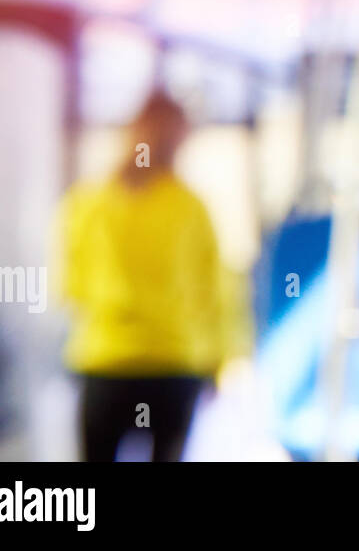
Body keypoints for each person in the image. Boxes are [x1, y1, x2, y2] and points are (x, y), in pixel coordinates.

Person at [59, 89, 228, 461]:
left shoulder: (89, 203)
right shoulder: (191, 208)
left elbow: (71, 287)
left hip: (107, 361)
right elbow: (216, 293)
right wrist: (218, 361)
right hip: (175, 363)